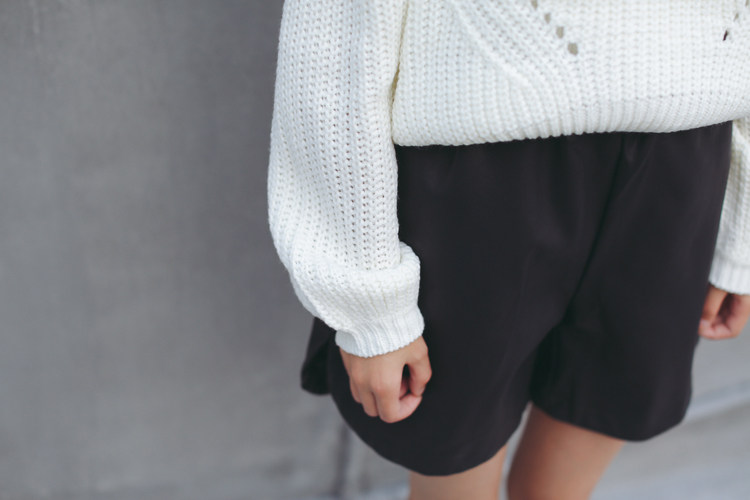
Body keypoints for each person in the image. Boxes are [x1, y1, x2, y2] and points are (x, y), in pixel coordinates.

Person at [266, 1, 750, 499]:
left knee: (583, 451)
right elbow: (333, 48)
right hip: (480, 159)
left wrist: (742, 236)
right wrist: (369, 303)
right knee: (453, 465)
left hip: (685, 157)